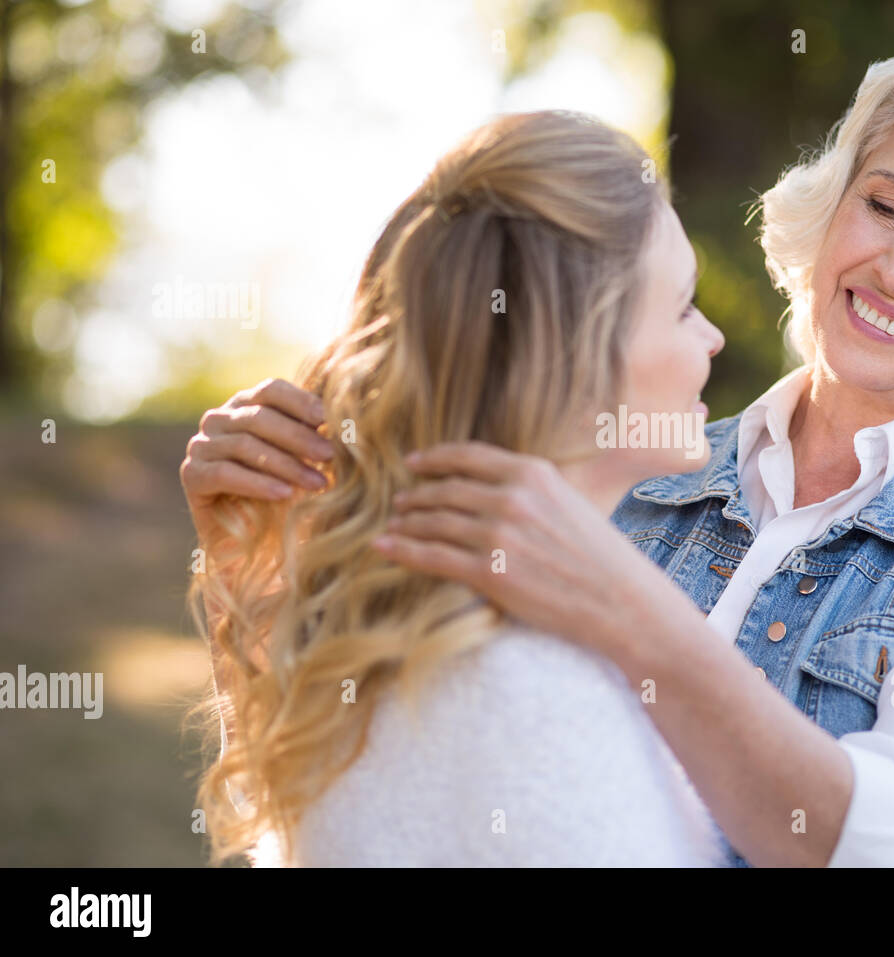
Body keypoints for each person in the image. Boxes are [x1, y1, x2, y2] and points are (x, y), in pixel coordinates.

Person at [190, 49, 894, 867]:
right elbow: (368, 781)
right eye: (885, 205)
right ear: (831, 211)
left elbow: (892, 847)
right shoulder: (620, 460)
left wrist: (635, 615)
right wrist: (254, 559)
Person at [181, 111, 728, 866]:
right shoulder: (534, 691)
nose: (712, 337)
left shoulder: (384, 648)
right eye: (681, 306)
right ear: (572, 366)